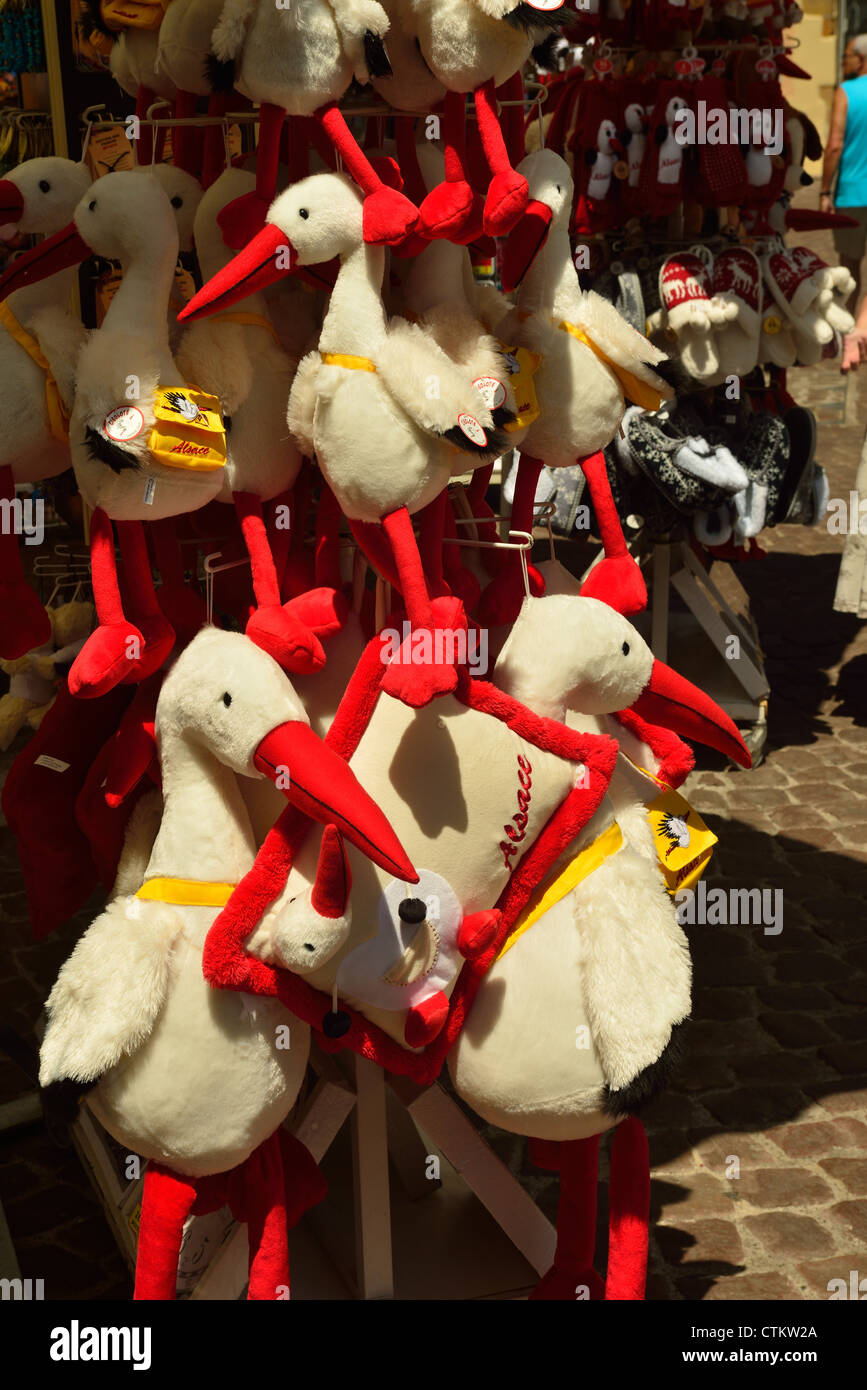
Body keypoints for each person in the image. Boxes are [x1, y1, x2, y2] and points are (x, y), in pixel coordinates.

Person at [822, 34, 867, 311]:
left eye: (848, 54)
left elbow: (835, 145)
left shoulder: (847, 91)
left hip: (852, 193)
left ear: (862, 58)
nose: (843, 59)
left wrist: (824, 190)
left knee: (849, 270)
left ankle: (851, 335)